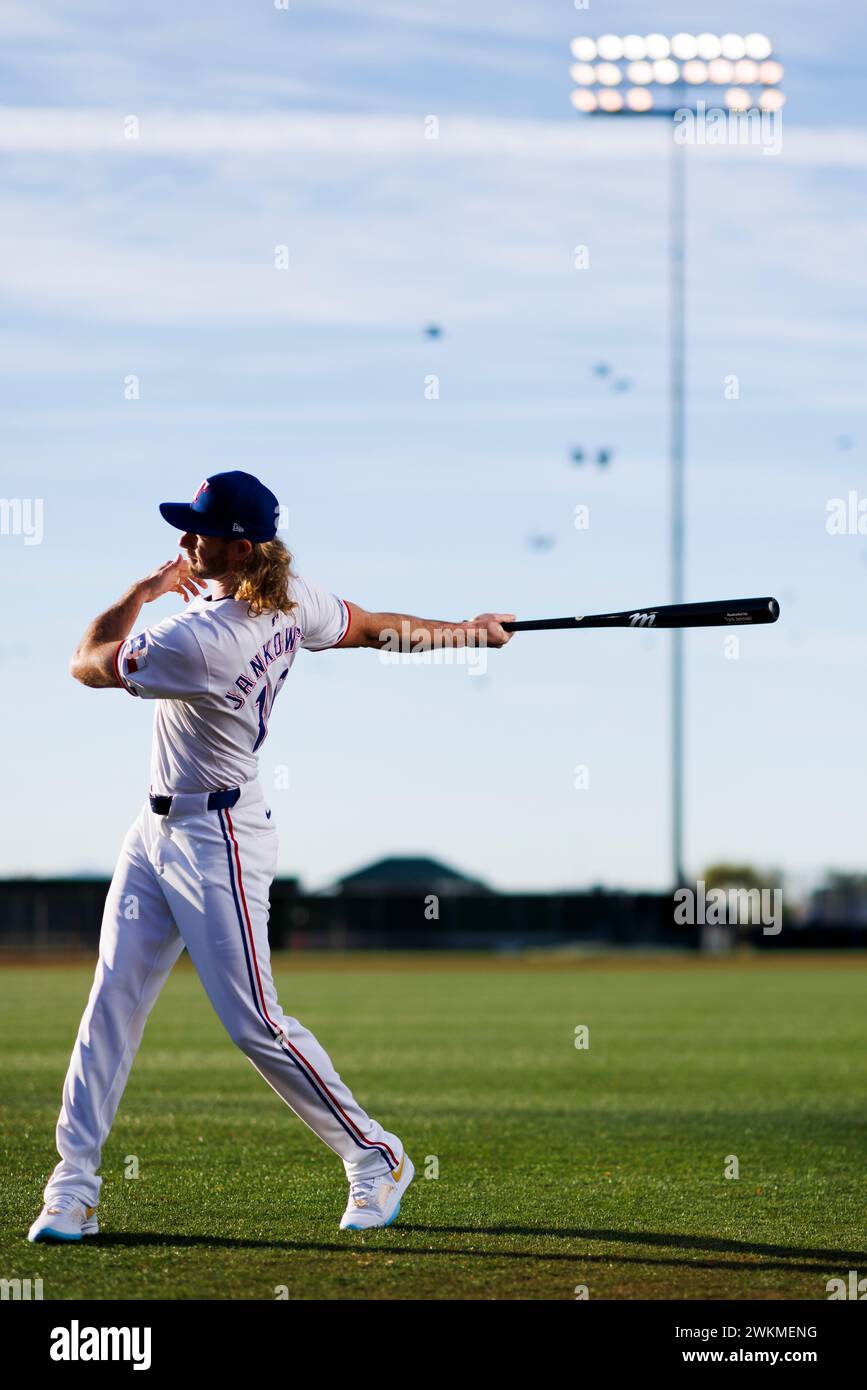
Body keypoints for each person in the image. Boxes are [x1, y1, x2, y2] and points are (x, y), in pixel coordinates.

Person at [28, 470, 514, 1241]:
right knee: (109, 1003)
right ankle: (74, 1185)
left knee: (254, 1020)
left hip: (219, 836)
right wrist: (466, 632)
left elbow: (86, 660)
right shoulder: (285, 597)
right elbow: (374, 628)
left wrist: (143, 591)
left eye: (199, 531)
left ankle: (374, 1156)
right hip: (155, 830)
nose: (184, 541)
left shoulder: (199, 640)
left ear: (242, 547)